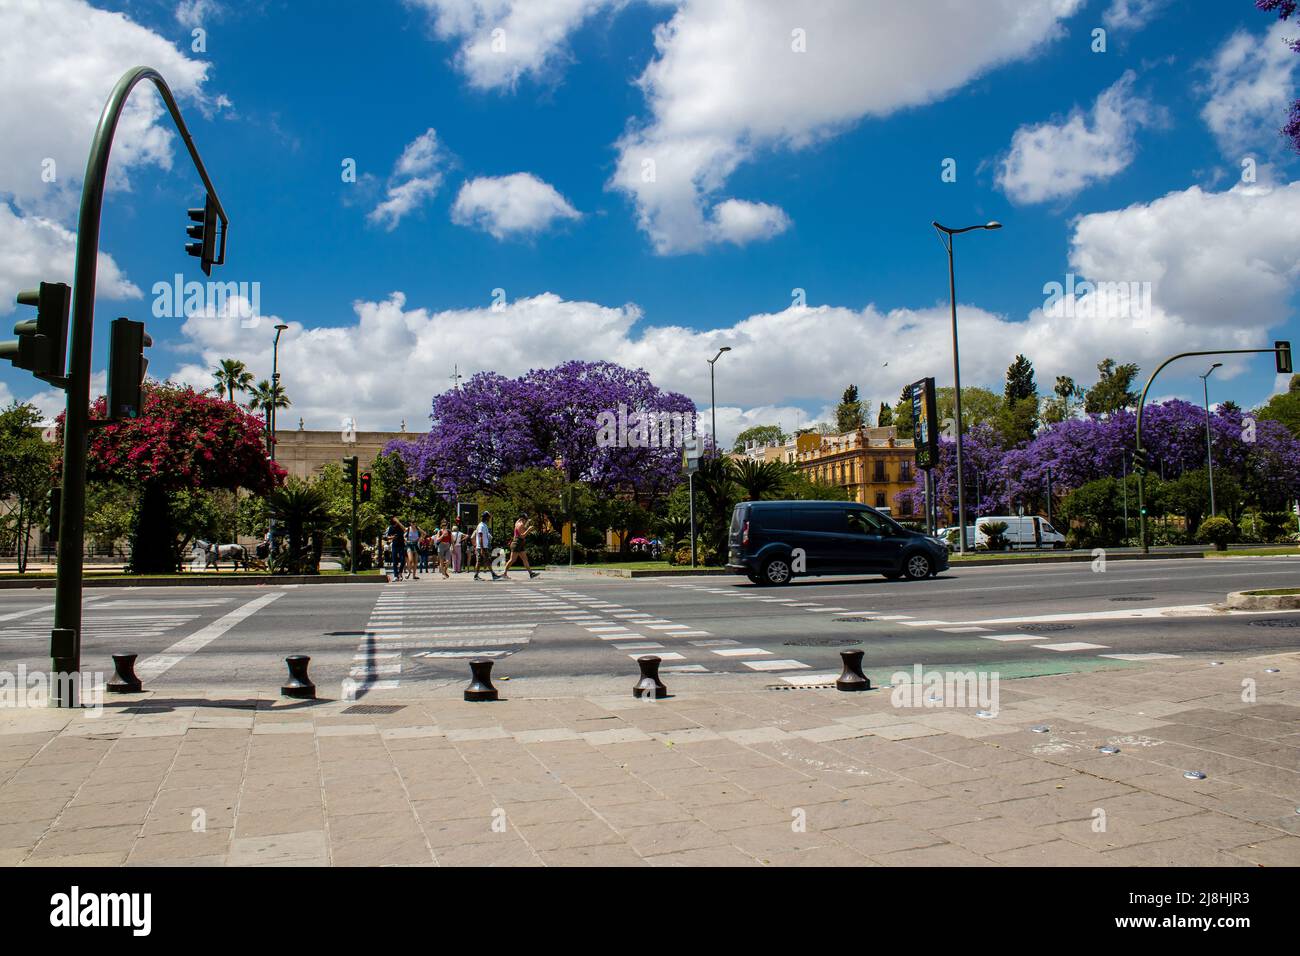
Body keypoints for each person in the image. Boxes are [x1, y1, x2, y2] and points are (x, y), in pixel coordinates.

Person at [500, 512, 539, 580]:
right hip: (517, 543)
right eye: (525, 519)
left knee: (525, 559)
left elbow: (523, 527)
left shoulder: (517, 522)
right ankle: (504, 573)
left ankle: (531, 573)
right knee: (512, 559)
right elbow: (522, 536)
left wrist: (527, 523)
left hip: (519, 544)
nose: (526, 520)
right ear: (522, 519)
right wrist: (529, 529)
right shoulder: (520, 525)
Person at [473, 510, 494, 581]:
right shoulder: (481, 526)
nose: (489, 519)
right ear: (486, 518)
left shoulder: (484, 525)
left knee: (487, 560)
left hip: (484, 546)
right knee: (479, 561)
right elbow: (480, 537)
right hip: (481, 547)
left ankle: (493, 574)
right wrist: (481, 548)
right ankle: (476, 576)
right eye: (488, 518)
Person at [384, 517, 405, 582]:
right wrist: (392, 537)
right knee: (394, 561)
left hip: (401, 545)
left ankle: (400, 573)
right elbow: (386, 537)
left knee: (403, 560)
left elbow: (405, 529)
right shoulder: (390, 527)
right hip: (395, 545)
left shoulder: (400, 526)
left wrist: (398, 522)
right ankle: (396, 576)